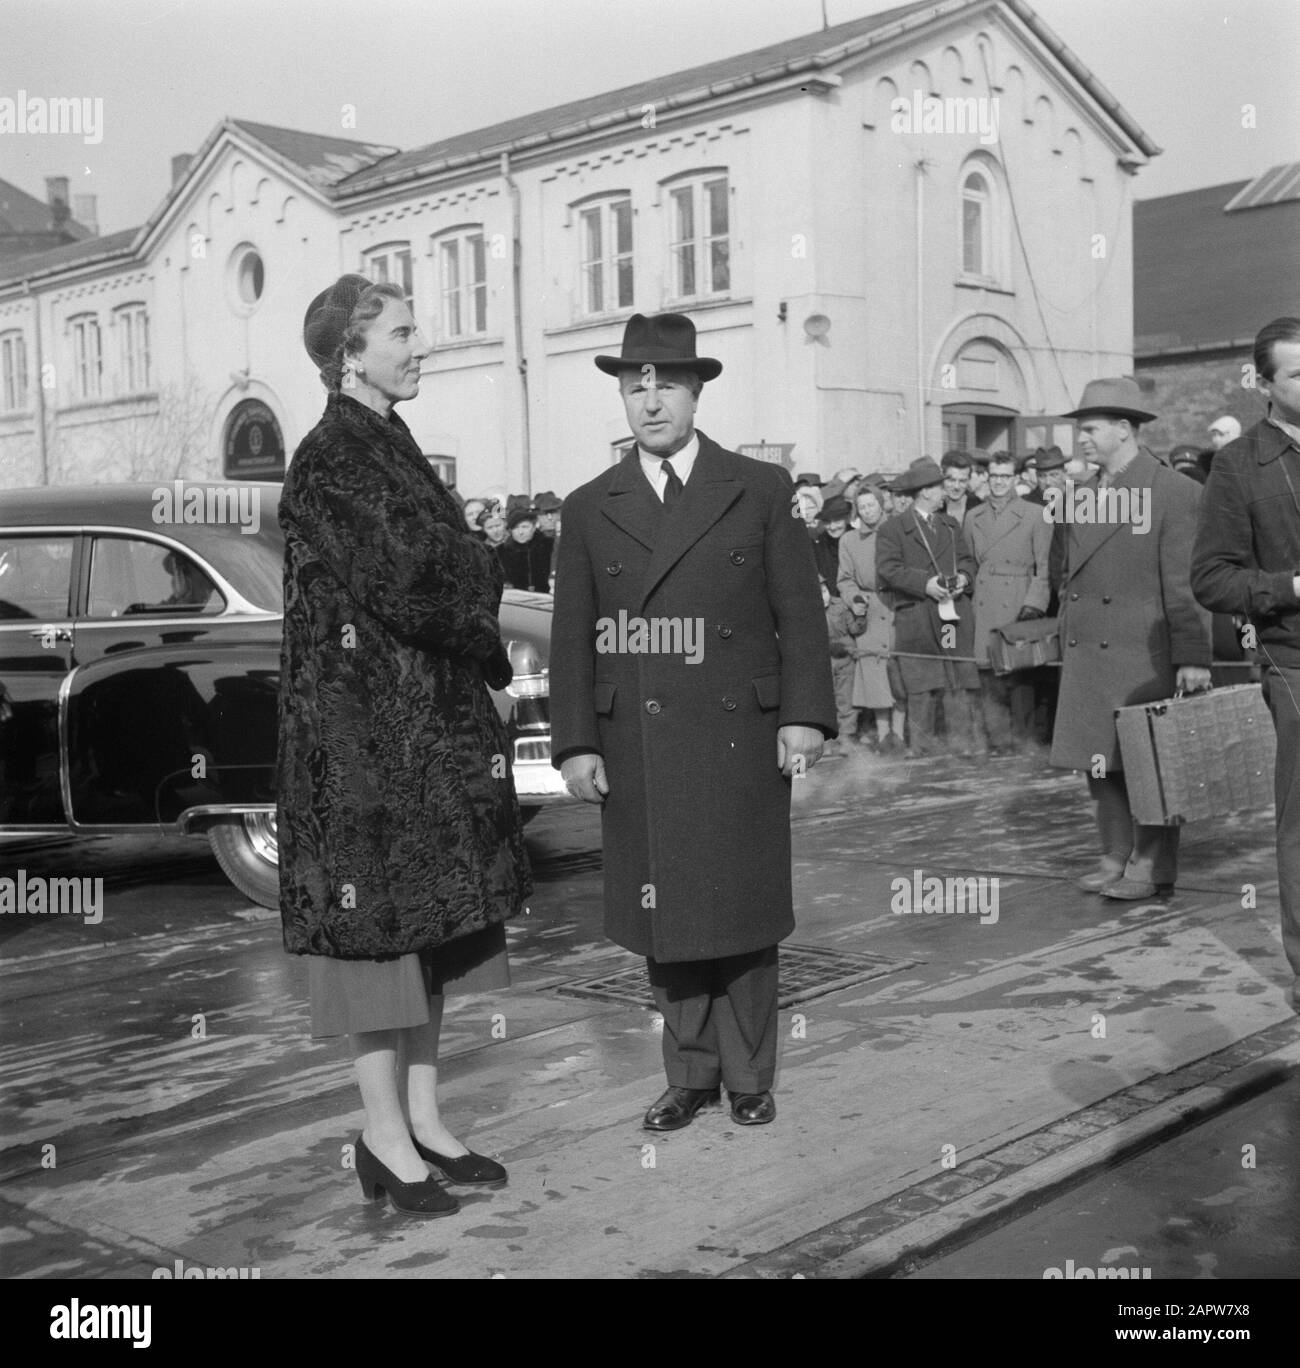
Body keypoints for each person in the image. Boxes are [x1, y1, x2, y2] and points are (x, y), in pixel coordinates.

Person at [278, 274, 530, 1217]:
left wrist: (470, 566)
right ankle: (381, 1138)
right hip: (361, 753)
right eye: (404, 332)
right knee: (376, 952)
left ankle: (423, 1119)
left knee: (432, 938)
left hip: (417, 741)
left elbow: (442, 569)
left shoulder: (386, 441)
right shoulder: (334, 455)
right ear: (351, 352)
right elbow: (423, 576)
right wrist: (481, 564)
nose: (421, 345)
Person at [549, 311, 836, 1132]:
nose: (650, 402)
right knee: (662, 911)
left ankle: (749, 1074)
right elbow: (574, 636)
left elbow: (799, 614)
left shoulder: (758, 488)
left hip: (742, 732)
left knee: (740, 908)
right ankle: (689, 1073)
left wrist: (805, 716)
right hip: (637, 742)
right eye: (634, 387)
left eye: (667, 384)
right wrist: (575, 741)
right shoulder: (590, 505)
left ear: (698, 391)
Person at [1050, 377, 1212, 901]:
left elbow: (1185, 585)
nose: (1082, 440)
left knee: (1150, 763)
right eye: (1081, 430)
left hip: (1144, 654)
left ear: (1124, 429)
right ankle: (1115, 852)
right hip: (1091, 653)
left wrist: (1193, 657)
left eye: (1091, 429)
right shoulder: (1083, 495)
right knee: (1100, 762)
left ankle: (1152, 862)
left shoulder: (1176, 492)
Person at [1191, 317, 1300, 1008]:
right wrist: (1290, 587)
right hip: (1293, 661)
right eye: (1298, 373)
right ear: (1264, 384)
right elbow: (1211, 579)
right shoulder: (1240, 465)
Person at [876, 457, 982, 757]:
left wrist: (963, 577)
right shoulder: (893, 529)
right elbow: (889, 569)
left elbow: (966, 560)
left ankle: (962, 746)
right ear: (924, 492)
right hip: (918, 617)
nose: (947, 490)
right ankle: (920, 750)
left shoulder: (950, 525)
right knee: (921, 686)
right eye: (940, 486)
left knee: (955, 680)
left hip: (950, 619)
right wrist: (925, 584)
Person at [965, 452, 1052, 752]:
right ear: (987, 478)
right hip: (984, 599)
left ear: (1016, 478)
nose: (999, 482)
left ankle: (1023, 741)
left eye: (1005, 476)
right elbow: (969, 562)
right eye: (994, 476)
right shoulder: (973, 516)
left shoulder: (1035, 514)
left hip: (1018, 601)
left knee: (1019, 675)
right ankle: (994, 739)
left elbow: (1045, 567)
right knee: (987, 673)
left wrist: (1034, 604)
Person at [837, 485, 905, 751]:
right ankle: (883, 734)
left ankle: (898, 734)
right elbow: (845, 580)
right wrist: (855, 600)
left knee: (899, 672)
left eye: (871, 505)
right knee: (876, 675)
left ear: (881, 504)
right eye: (862, 507)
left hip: (898, 605)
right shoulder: (849, 541)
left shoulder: (897, 531)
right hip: (870, 609)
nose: (867, 512)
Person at [823, 575, 867, 751]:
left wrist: (860, 616)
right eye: (818, 592)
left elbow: (855, 629)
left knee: (846, 699)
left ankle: (846, 738)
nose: (823, 595)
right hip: (824, 661)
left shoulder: (840, 606)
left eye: (824, 591)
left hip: (845, 658)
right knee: (826, 700)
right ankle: (828, 740)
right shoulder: (807, 610)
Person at [497, 507, 551, 592]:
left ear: (534, 527)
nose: (520, 532)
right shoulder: (501, 551)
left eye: (525, 527)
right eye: (515, 528)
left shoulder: (549, 546)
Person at [812, 495, 851, 592]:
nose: (832, 527)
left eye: (837, 520)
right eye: (827, 522)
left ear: (846, 518)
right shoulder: (820, 544)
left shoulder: (858, 539)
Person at [940, 450, 983, 525]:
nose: (956, 486)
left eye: (962, 481)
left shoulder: (980, 508)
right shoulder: (933, 507)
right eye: (951, 480)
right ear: (942, 478)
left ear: (969, 480)